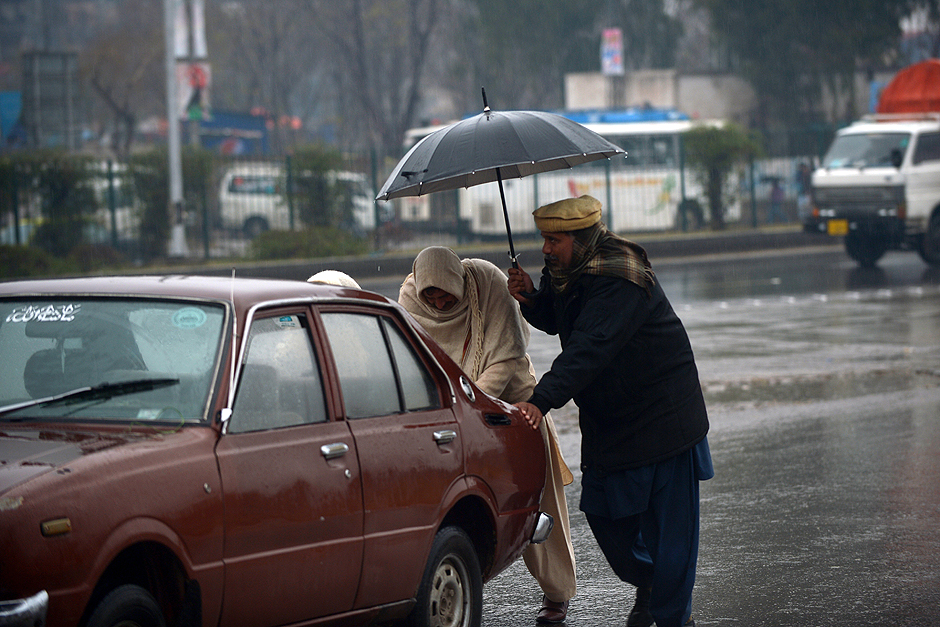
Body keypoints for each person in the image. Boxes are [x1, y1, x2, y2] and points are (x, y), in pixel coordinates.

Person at [506, 195, 713, 627]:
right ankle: (654, 583)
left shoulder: (620, 277)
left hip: (665, 419)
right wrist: (531, 297)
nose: (545, 249)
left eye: (554, 240)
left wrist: (539, 401)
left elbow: (589, 346)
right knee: (604, 518)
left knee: (671, 538)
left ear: (581, 240)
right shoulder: (570, 271)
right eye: (544, 239)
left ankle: (675, 616)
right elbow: (566, 319)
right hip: (611, 421)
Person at [399, 246, 577, 623]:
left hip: (513, 404)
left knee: (540, 501)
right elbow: (412, 360)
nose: (438, 299)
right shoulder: (409, 298)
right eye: (430, 293)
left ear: (459, 282)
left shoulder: (489, 283)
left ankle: (557, 592)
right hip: (450, 414)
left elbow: (507, 357)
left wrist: (471, 407)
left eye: (445, 291)